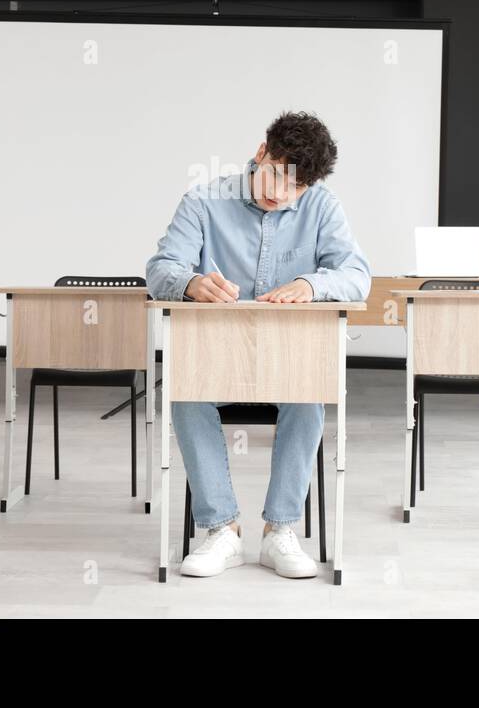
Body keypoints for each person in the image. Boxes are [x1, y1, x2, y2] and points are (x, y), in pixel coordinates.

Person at [146, 111, 371, 577]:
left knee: (308, 397)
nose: (278, 193)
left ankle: (280, 531)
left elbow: (357, 276)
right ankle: (221, 529)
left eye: (294, 187)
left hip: (289, 359)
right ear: (260, 153)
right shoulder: (204, 201)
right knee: (185, 396)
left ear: (308, 186)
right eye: (274, 175)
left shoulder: (323, 207)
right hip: (217, 359)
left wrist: (311, 284)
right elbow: (160, 268)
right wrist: (189, 283)